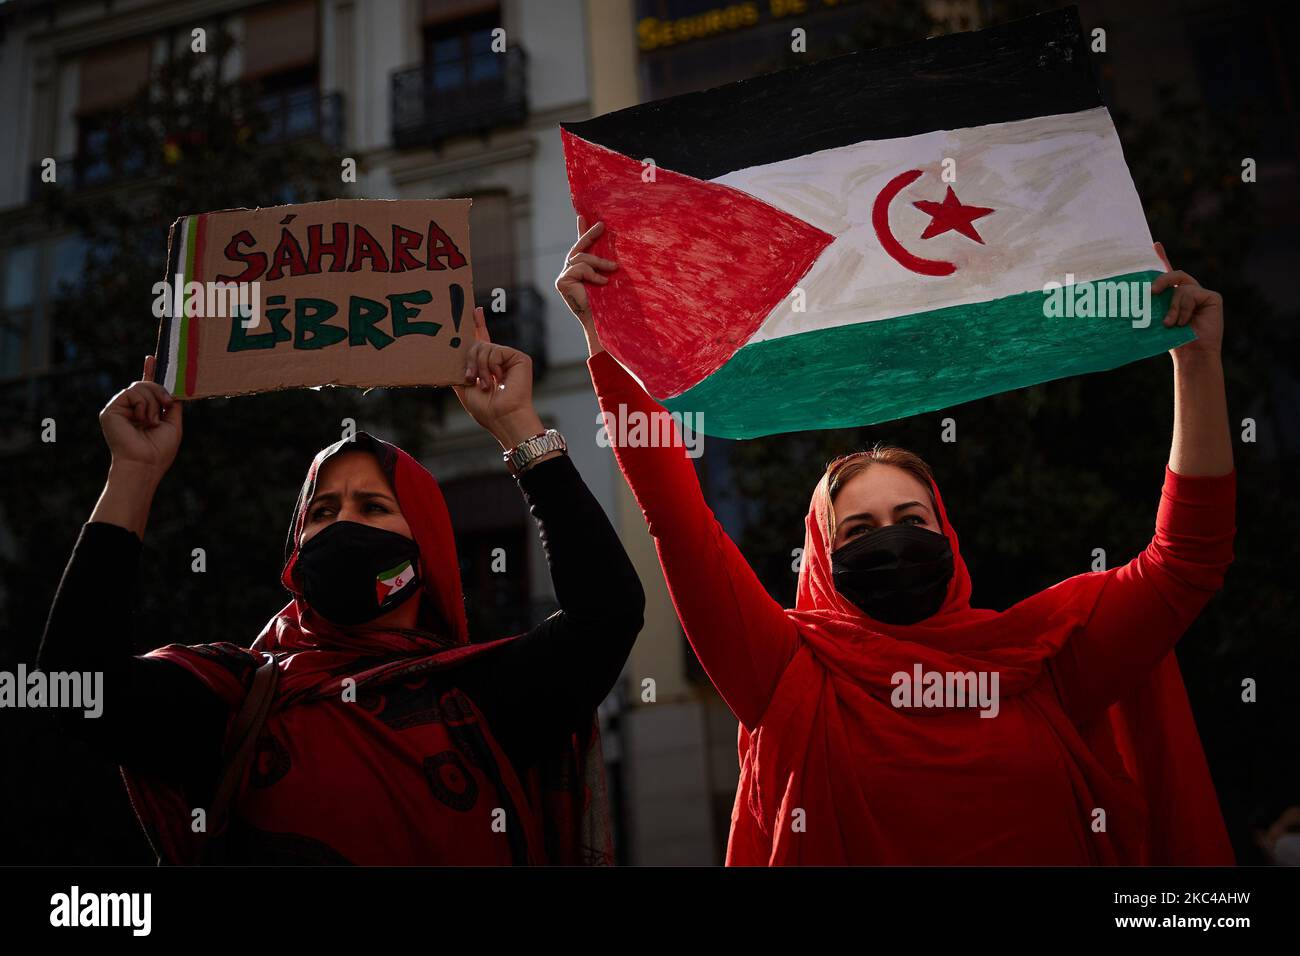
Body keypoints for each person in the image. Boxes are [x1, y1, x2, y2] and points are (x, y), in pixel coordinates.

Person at [557, 217, 1236, 865]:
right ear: (822, 561)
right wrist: (606, 339)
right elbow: (678, 522)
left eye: (912, 521)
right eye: (857, 530)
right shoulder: (785, 676)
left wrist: (1197, 364)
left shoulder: (1042, 661)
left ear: (948, 535)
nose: (891, 541)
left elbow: (1186, 562)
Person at [38, 308, 645, 865]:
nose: (345, 523)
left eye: (375, 506)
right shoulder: (237, 703)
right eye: (323, 512)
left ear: (425, 546)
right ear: (295, 557)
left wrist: (517, 425)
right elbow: (72, 684)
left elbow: (608, 612)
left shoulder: (484, 698)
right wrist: (135, 472)